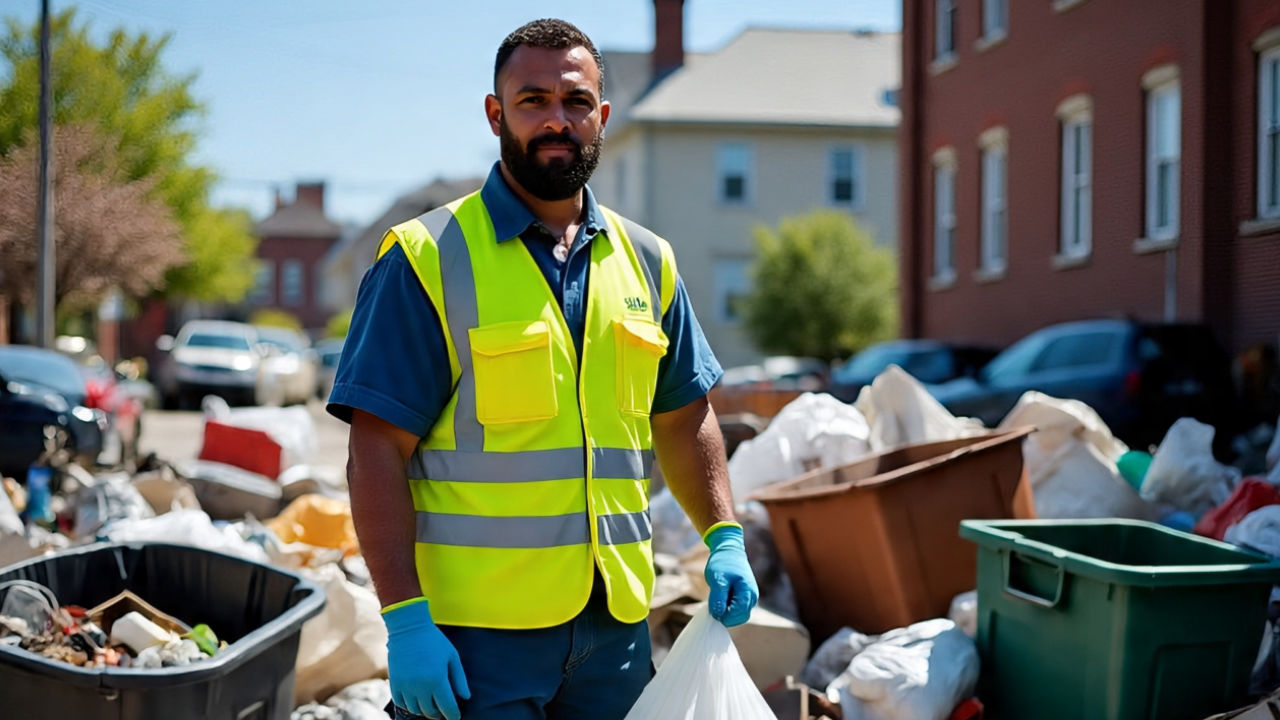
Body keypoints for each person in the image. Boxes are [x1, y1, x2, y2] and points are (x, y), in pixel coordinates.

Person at [327, 18, 757, 720]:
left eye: (576, 102)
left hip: (614, 632)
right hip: (474, 642)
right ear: (496, 114)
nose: (557, 120)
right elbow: (375, 449)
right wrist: (405, 619)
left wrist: (725, 536)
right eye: (533, 101)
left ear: (603, 117)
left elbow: (685, 417)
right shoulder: (426, 257)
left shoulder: (648, 260)